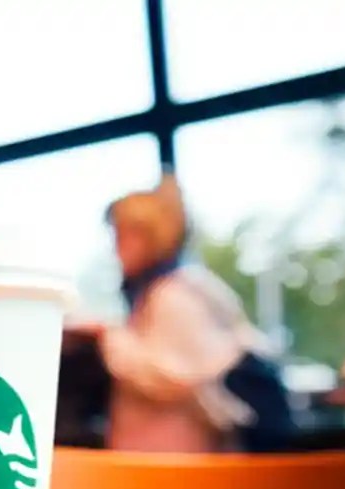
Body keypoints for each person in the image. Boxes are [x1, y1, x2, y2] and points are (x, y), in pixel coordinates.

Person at [92, 175, 271, 452]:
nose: (116, 249)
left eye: (122, 236)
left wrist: (111, 337)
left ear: (148, 236)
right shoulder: (158, 291)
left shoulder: (174, 295)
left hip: (176, 451)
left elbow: (172, 376)